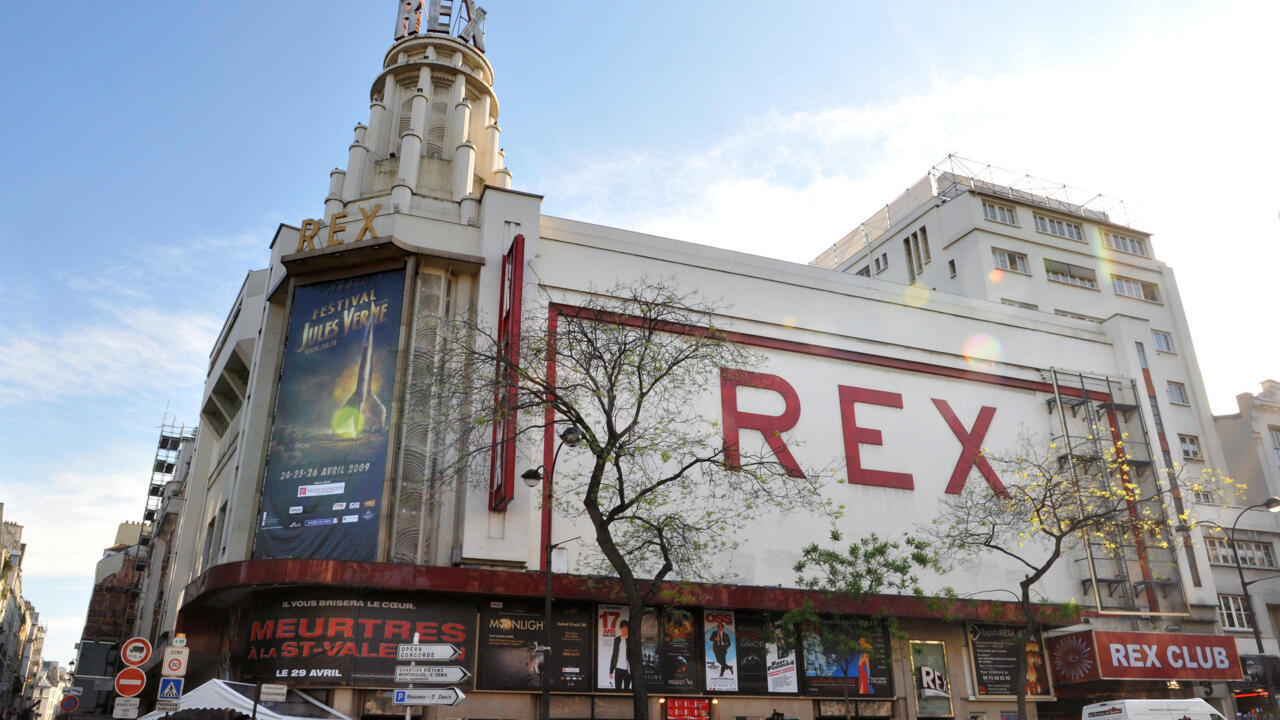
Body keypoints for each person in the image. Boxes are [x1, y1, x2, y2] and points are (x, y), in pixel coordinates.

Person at [609, 621, 632, 690]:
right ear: (620, 629)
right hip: (618, 668)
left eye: (626, 628)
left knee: (626, 689)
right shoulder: (617, 640)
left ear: (628, 628)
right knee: (617, 689)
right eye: (623, 628)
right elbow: (614, 655)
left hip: (628, 670)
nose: (624, 630)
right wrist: (611, 671)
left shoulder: (631, 640)